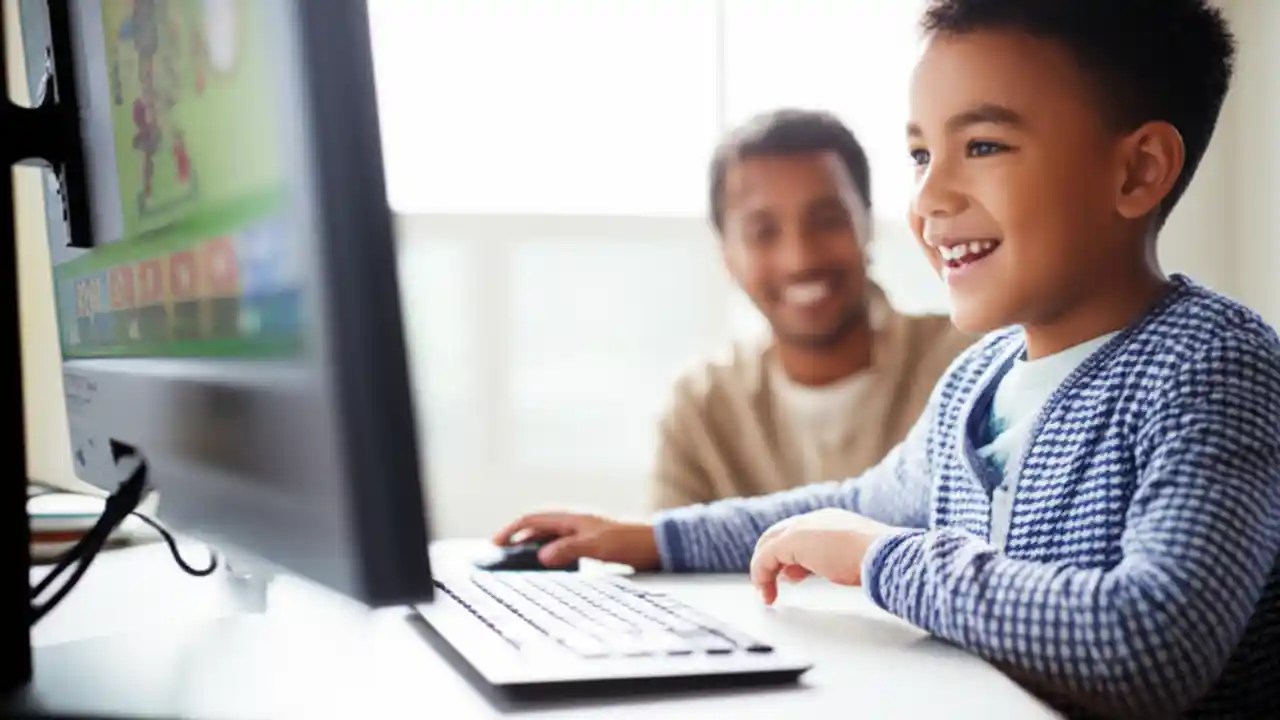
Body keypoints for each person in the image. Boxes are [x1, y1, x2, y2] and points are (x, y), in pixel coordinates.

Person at [494, 1, 1279, 716]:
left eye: (982, 145)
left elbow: (1152, 645)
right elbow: (855, 504)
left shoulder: (1214, 367)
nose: (930, 197)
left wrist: (882, 561)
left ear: (1137, 171)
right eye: (918, 154)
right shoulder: (980, 376)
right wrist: (653, 539)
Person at [654, 109, 972, 509]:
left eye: (827, 221)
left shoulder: (968, 365)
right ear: (726, 255)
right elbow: (665, 552)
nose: (800, 258)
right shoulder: (702, 409)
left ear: (867, 226)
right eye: (762, 232)